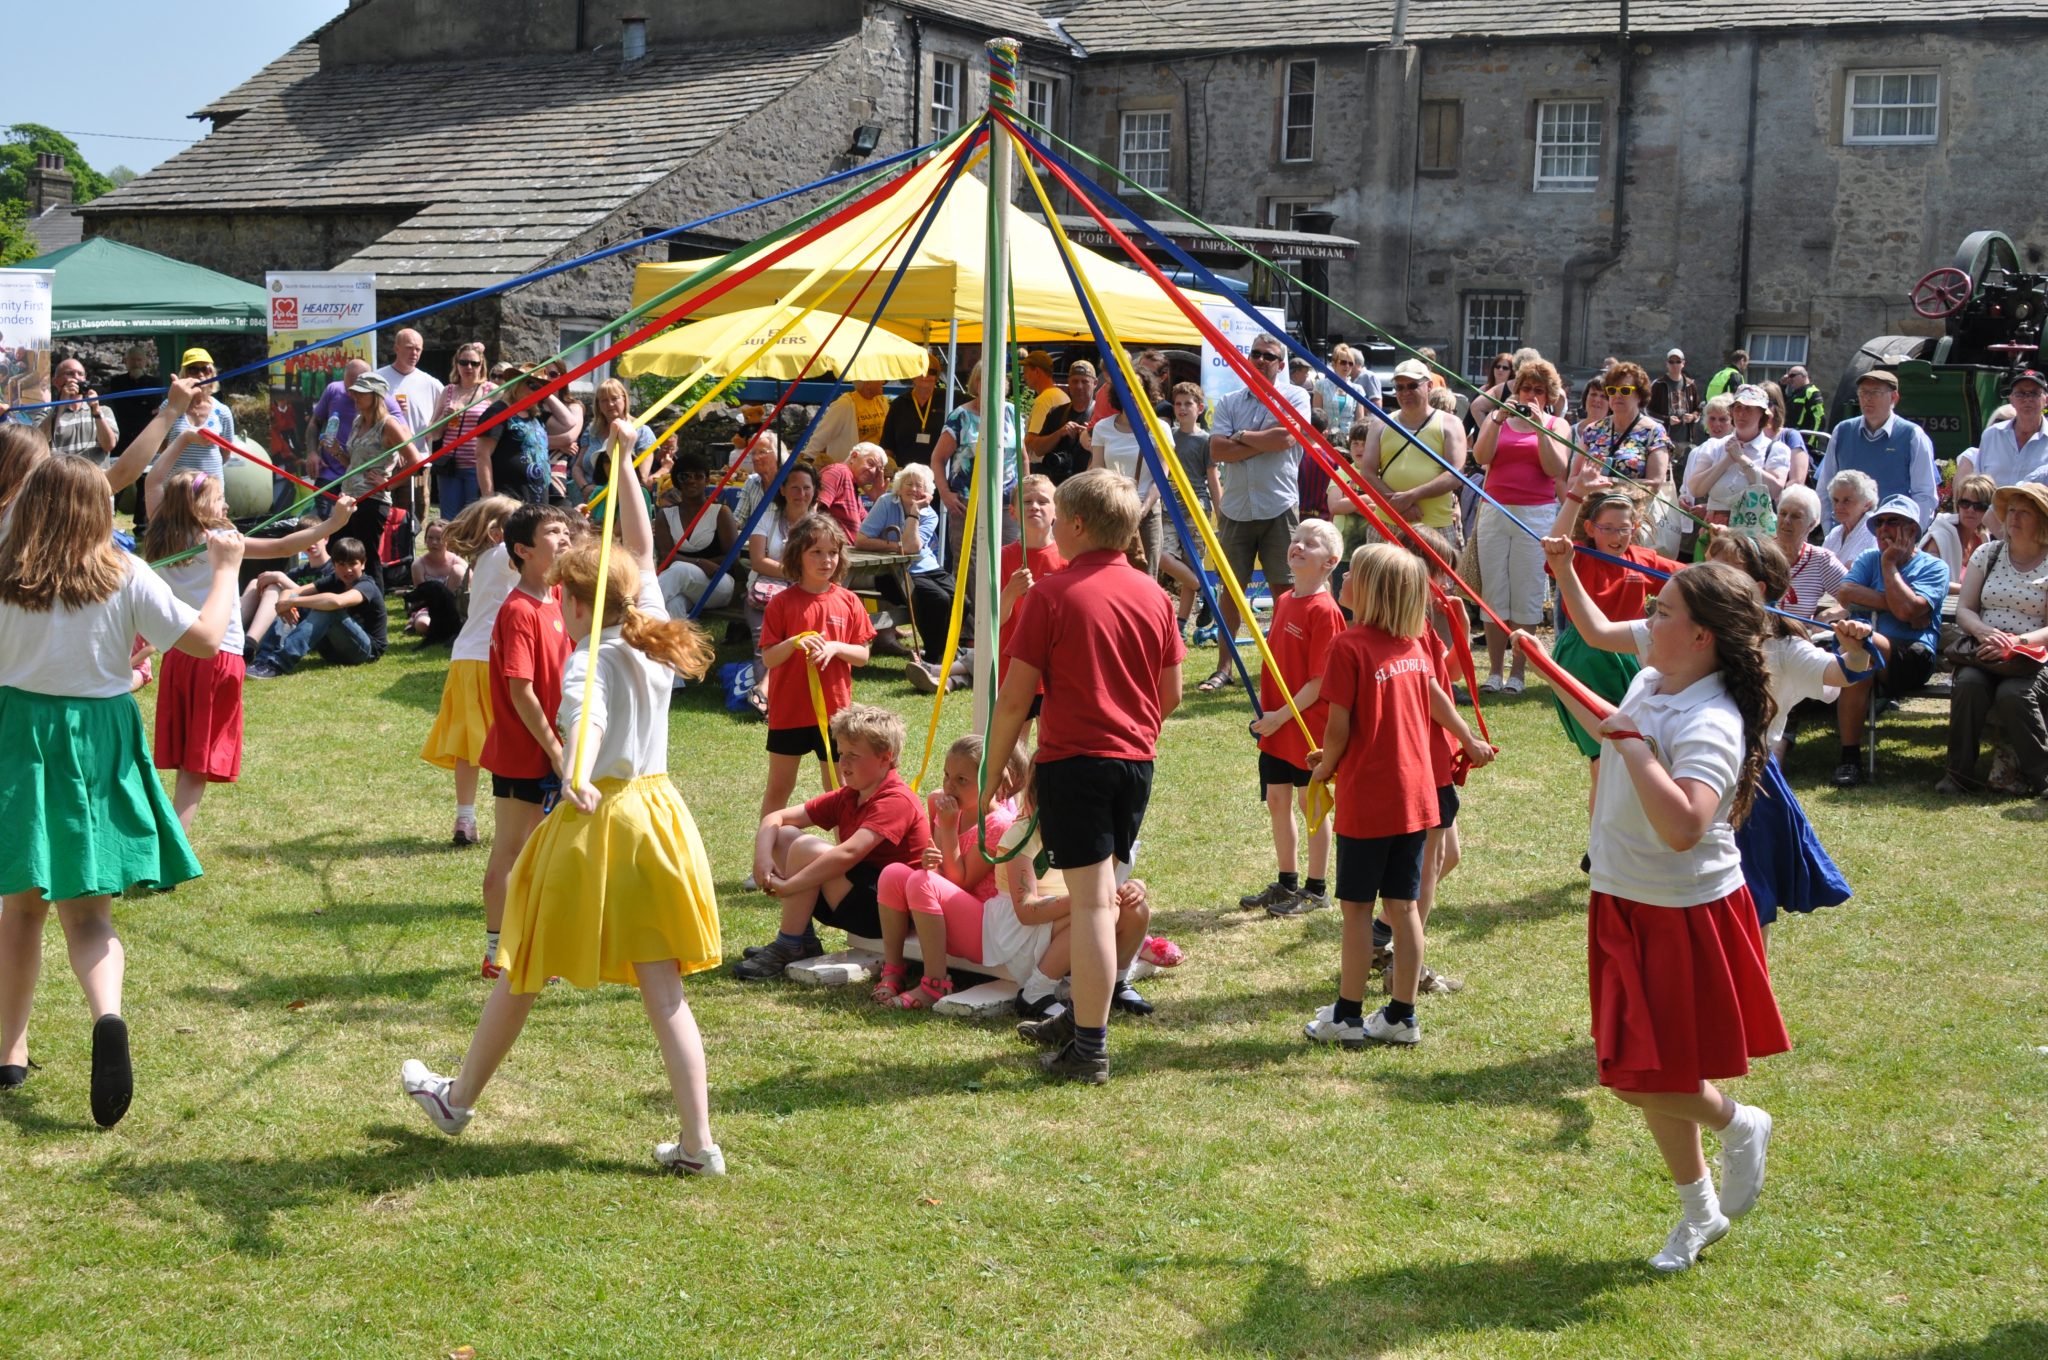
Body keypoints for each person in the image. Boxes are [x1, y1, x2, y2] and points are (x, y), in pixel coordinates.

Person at [401, 463, 726, 1175]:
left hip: (600, 819)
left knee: (520, 963)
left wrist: (574, 772)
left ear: (577, 604)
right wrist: (629, 458)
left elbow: (584, 720)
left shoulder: (589, 659)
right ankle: (699, 1146)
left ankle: (457, 1100)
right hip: (658, 818)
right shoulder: (650, 643)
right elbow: (638, 552)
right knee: (662, 988)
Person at [1514, 561, 1786, 1275]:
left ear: (1699, 635)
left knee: (1636, 1069)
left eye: (1660, 610)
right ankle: (1699, 1212)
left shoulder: (1712, 718)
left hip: (1682, 908)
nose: (1647, 616)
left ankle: (1737, 1122)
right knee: (1650, 1064)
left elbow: (1685, 824)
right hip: (1623, 892)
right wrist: (1548, 671)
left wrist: (1635, 750)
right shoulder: (1652, 679)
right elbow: (1612, 730)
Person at [0, 455, 243, 1126]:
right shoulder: (124, 572)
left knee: (20, 910)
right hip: (98, 738)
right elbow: (202, 639)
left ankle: (9, 1052)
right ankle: (106, 1016)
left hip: (19, 734)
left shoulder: (4, 569)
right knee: (90, 918)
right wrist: (226, 571)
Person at [982, 469, 1186, 1083]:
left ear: (1073, 524)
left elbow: (1014, 701)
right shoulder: (1155, 595)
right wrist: (1130, 729)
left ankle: (1089, 1046)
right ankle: (1081, 1021)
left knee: (1094, 906)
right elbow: (1170, 693)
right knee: (1100, 897)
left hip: (1075, 763)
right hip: (1134, 763)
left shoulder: (1049, 595)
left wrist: (993, 775)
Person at [1303, 544, 1494, 1049]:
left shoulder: (1349, 645)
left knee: (1357, 911)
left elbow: (1340, 728)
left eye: (1352, 574)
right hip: (1416, 797)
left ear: (1368, 590)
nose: (1343, 579)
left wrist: (1325, 765)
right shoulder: (1411, 645)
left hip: (1369, 800)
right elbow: (1432, 694)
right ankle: (1401, 1016)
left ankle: (1346, 1016)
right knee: (1405, 908)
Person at [141, 461, 357, 826]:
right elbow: (284, 546)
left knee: (188, 758)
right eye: (219, 500)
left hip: (180, 655)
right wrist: (333, 524)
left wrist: (181, 428)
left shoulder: (164, 541)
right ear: (197, 508)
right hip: (217, 656)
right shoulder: (217, 542)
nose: (226, 507)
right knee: (197, 765)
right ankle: (172, 845)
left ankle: (168, 834)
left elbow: (152, 483)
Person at [736, 703, 928, 981]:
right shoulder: (851, 793)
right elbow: (775, 818)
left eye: (853, 756)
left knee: (803, 847)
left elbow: (849, 853)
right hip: (859, 896)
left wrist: (789, 886)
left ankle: (789, 944)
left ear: (885, 758)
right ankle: (801, 939)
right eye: (840, 754)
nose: (843, 764)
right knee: (784, 834)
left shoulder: (896, 799)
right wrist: (762, 858)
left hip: (889, 914)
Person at [1548, 472, 1684, 856]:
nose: (1616, 536)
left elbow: (1694, 579)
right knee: (1605, 758)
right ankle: (1600, 850)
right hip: (1584, 660)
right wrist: (1574, 493)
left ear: (1636, 528)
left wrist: (1731, 559)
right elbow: (1554, 546)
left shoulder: (1643, 560)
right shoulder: (1579, 556)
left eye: (1624, 529)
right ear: (1590, 529)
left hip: (1632, 662)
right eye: (1607, 528)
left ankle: (1624, 839)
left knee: (1629, 757)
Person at [476, 503, 578, 977]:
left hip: (556, 748)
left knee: (544, 852)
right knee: (513, 852)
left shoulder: (558, 597)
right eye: (553, 532)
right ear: (522, 549)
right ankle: (498, 952)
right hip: (523, 753)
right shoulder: (518, 610)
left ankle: (534, 943)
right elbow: (522, 692)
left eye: (565, 530)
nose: (564, 538)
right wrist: (556, 752)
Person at [870, 735, 1028, 1009]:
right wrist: (931, 860)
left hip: (984, 932)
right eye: (946, 776)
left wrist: (947, 828)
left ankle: (935, 983)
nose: (949, 786)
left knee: (921, 880)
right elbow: (940, 873)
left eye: (961, 780)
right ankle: (894, 969)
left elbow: (961, 881)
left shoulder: (999, 825)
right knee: (893, 874)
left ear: (989, 782)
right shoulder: (948, 810)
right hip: (949, 919)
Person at [1238, 519, 1344, 917]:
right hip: (1277, 724)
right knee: (1278, 801)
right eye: (1296, 539)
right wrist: (1271, 716)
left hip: (1305, 727)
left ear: (1330, 562)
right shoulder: (1284, 601)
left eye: (1311, 544)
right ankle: (1287, 882)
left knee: (1310, 803)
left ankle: (1316, 888)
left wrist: (1280, 717)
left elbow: (1319, 682)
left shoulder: (1325, 611)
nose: (1298, 546)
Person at [751, 511, 875, 849]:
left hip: (836, 716)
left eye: (832, 552)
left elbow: (863, 655)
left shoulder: (848, 601)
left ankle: (844, 855)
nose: (826, 560)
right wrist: (793, 643)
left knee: (838, 788)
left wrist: (836, 647)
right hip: (789, 713)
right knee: (779, 787)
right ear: (798, 556)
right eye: (816, 552)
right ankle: (767, 855)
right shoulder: (782, 603)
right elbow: (769, 657)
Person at [1199, 335, 1310, 693]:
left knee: (1284, 592)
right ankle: (1224, 669)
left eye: (1270, 356)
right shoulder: (1230, 400)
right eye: (1256, 354)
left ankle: (1282, 670)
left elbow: (1287, 439)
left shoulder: (1295, 397)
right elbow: (1217, 449)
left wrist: (1241, 437)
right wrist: (1260, 439)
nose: (1261, 360)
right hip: (1235, 509)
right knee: (1230, 590)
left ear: (1281, 364)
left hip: (1278, 506)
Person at [1821, 495, 1950, 787]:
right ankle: (1850, 759)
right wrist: (1901, 606)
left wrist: (1890, 565)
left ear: (1912, 531)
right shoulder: (1868, 559)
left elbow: (1906, 610)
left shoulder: (1934, 568)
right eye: (1879, 523)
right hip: (1863, 650)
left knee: (1859, 644)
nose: (1883, 529)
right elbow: (1846, 593)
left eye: (1893, 522)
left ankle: (1849, 758)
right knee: (1860, 651)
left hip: (1913, 657)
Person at [420, 495, 522, 848]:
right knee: (509, 738)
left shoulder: (489, 558)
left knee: (468, 743)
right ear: (497, 533)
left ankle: (465, 817)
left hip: (467, 657)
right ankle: (513, 818)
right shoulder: (507, 557)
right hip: (495, 659)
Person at [1940, 481, 2048, 796]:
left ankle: (2043, 777)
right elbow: (1965, 609)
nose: (2013, 518)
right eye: (2010, 511)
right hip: (1985, 650)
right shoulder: (1989, 553)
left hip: (2032, 657)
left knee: (2014, 694)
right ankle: (1958, 776)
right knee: (1969, 684)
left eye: (2023, 513)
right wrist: (1985, 632)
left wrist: (2018, 643)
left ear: (2041, 519)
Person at [1471, 358, 1571, 692]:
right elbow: (1481, 457)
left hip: (1535, 514)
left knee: (1526, 591)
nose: (1530, 395)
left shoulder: (1558, 425)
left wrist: (1541, 428)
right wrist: (1498, 419)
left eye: (1538, 391)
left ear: (1549, 396)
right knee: (1495, 590)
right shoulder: (1498, 420)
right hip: (1495, 511)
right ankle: (1495, 672)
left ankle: (1518, 673)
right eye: (1525, 388)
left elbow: (1554, 467)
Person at [854, 462, 956, 688]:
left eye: (920, 486)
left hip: (926, 566)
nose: (914, 490)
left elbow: (913, 549)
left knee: (961, 601)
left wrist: (915, 513)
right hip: (891, 571)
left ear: (928, 493)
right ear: (899, 487)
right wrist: (895, 544)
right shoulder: (885, 503)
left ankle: (949, 654)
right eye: (908, 484)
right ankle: (932, 659)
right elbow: (862, 540)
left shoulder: (930, 514)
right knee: (937, 600)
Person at [241, 536, 388, 679]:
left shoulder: (367, 585)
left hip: (365, 651)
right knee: (298, 601)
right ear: (335, 565)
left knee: (328, 610)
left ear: (363, 564)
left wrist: (294, 602)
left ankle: (278, 663)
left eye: (353, 564)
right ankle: (263, 659)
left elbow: (337, 602)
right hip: (331, 650)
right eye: (342, 564)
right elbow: (291, 592)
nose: (347, 569)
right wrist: (286, 602)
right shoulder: (335, 580)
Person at [744, 461, 827, 705]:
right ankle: (773, 696)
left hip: (804, 595)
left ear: (814, 491)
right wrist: (799, 574)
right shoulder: (766, 516)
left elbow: (827, 564)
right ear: (782, 490)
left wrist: (803, 578)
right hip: (764, 595)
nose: (801, 494)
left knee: (796, 634)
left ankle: (764, 692)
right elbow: (758, 561)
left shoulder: (820, 524)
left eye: (806, 488)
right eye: (794, 488)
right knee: (766, 641)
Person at [1359, 358, 1465, 548]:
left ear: (1429, 386)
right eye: (1399, 387)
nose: (1405, 392)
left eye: (1412, 385)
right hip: (1387, 523)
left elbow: (1455, 474)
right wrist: (1398, 506)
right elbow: (1367, 473)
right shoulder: (1380, 424)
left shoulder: (1450, 424)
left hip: (1434, 526)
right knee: (1380, 579)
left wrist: (1410, 496)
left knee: (1433, 579)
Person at [1816, 369, 1939, 530]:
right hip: (1845, 536)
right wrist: (1830, 531)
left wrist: (1910, 536)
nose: (1867, 398)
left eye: (1875, 392)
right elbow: (1825, 488)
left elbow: (1925, 495)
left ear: (1894, 397)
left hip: (1893, 538)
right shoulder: (1842, 432)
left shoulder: (1912, 436)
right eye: (1863, 392)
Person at [929, 360, 1021, 572]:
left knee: (1008, 562)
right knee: (969, 566)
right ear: (976, 384)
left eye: (996, 381)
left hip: (1007, 503)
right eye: (983, 380)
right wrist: (945, 494)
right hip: (966, 502)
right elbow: (938, 458)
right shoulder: (961, 416)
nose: (990, 385)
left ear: (1004, 384)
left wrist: (1024, 495)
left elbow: (1022, 458)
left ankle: (1003, 606)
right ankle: (972, 607)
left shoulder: (1012, 414)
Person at [331, 371, 421, 566]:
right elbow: (354, 466)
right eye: (354, 392)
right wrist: (337, 452)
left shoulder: (388, 425)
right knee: (338, 553)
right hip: (348, 498)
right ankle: (350, 595)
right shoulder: (358, 421)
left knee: (368, 559)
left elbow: (415, 460)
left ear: (376, 396)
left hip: (371, 502)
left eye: (362, 393)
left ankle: (373, 596)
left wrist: (388, 485)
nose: (355, 396)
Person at [1084, 377, 1165, 581]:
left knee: (1147, 576)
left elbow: (1162, 476)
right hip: (1112, 511)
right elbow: (1098, 471)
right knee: (1109, 574)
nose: (1131, 393)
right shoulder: (1103, 428)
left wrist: (1143, 508)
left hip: (1147, 512)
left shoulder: (1159, 428)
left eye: (1137, 388)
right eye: (1127, 388)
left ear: (1148, 392)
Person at [1684, 385, 1793, 527]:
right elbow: (1696, 489)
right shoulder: (1714, 446)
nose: (1741, 413)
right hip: (1714, 534)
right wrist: (1727, 460)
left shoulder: (1776, 449)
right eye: (1737, 408)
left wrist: (1742, 459)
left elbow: (1774, 489)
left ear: (1762, 414)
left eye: (1748, 408)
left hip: (1754, 536)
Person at [653, 451, 741, 615]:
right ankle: (675, 640)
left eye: (698, 476)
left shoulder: (720, 512)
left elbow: (733, 558)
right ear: (676, 481)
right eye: (684, 476)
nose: (691, 480)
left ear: (707, 480)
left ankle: (635, 615)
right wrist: (700, 562)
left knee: (680, 569)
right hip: (683, 586)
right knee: (673, 604)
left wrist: (701, 564)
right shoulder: (665, 515)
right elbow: (667, 556)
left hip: (718, 584)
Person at [1959, 369, 2048, 504]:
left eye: (2034, 393)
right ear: (2011, 399)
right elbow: (1980, 484)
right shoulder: (1991, 435)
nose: (2027, 399)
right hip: (1993, 519)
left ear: (2045, 400)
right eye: (2020, 394)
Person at [474, 364, 558, 506]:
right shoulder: (498, 412)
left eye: (541, 388)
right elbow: (482, 455)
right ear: (517, 383)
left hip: (537, 501)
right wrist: (488, 500)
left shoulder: (536, 416)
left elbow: (570, 423)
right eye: (531, 384)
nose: (536, 391)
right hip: (508, 500)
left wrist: (548, 395)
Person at [431, 342, 492, 518]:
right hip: (449, 465)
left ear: (482, 365)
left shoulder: (490, 390)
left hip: (476, 465)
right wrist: (445, 416)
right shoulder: (448, 391)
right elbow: (433, 433)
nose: (469, 367)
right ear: (456, 364)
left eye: (474, 363)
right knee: (449, 519)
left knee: (473, 519)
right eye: (464, 362)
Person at [375, 327, 445, 482]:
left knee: (419, 506)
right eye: (409, 348)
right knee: (386, 506)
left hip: (420, 459)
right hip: (384, 460)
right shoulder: (377, 378)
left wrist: (434, 427)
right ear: (396, 348)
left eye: (418, 349)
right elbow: (364, 415)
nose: (414, 353)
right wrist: (389, 410)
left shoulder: (432, 384)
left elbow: (445, 414)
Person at [572, 380, 655, 503]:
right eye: (604, 400)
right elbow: (577, 467)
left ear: (625, 399)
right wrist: (585, 487)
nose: (610, 404)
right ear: (598, 405)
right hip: (588, 502)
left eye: (614, 398)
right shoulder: (591, 431)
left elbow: (641, 477)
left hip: (623, 503)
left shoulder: (641, 431)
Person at [1771, 485, 1844, 621]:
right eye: (1783, 513)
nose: (1786, 520)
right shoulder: (1758, 552)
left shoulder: (1821, 560)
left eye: (1796, 516)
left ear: (1812, 524)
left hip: (1797, 638)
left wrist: (1829, 614)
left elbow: (1853, 599)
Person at [1922, 472, 1994, 598]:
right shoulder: (1939, 537)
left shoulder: (1983, 540)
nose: (1970, 510)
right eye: (1965, 503)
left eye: (1979, 506)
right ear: (1957, 504)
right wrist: (1971, 590)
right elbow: (1930, 580)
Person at [1020, 350, 1080, 485]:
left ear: (1037, 371)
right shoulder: (1060, 395)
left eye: (1026, 370)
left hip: (1042, 467)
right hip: (1059, 464)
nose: (1024, 375)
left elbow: (1032, 439)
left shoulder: (1044, 400)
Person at [41, 356, 116, 464]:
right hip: (62, 478)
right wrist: (62, 404)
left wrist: (96, 412)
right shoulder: (45, 413)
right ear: (56, 381)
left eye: (80, 374)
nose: (76, 377)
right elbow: (40, 442)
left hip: (95, 479)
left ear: (85, 379)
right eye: (69, 373)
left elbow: (109, 445)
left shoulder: (103, 411)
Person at [406, 516, 470, 641]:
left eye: (439, 539)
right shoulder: (418, 565)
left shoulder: (459, 563)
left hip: (454, 610)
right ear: (425, 540)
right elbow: (421, 598)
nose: (434, 542)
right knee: (423, 625)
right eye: (430, 538)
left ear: (448, 541)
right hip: (429, 609)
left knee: (458, 571)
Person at [881, 359, 948, 474]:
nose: (925, 375)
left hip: (941, 476)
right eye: (920, 370)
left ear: (936, 376)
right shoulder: (899, 404)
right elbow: (887, 444)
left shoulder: (950, 399)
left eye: (931, 371)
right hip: (906, 477)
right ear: (912, 374)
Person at [802, 379, 890, 465]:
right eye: (879, 379)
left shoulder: (882, 401)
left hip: (875, 465)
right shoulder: (844, 404)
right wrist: (808, 458)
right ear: (867, 383)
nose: (883, 382)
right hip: (850, 467)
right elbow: (823, 434)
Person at [817, 441, 888, 542]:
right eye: (870, 463)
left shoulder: (853, 487)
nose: (873, 471)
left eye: (877, 470)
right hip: (833, 553)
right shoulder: (838, 472)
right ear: (854, 456)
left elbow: (872, 531)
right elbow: (811, 508)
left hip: (852, 554)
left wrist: (878, 501)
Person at [1314, 343, 1380, 440]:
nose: (1347, 366)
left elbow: (1359, 421)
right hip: (1325, 437)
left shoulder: (1357, 389)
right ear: (1334, 364)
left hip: (1348, 439)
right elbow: (1316, 416)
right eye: (1343, 362)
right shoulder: (1321, 385)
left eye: (1350, 363)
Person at [1822, 468, 1880, 564]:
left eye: (1847, 501)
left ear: (1866, 504)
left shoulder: (1874, 532)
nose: (1838, 506)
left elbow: (1855, 574)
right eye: (1835, 500)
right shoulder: (1835, 533)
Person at [1649, 349, 1700, 451]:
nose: (1675, 365)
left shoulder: (1690, 384)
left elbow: (1698, 409)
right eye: (1671, 362)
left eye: (1678, 362)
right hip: (1663, 439)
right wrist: (1667, 420)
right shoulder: (1658, 384)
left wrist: (1692, 417)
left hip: (1685, 440)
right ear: (1667, 364)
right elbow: (1647, 411)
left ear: (1683, 363)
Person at [1783, 365, 1827, 435]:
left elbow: (1819, 419)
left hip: (1803, 440)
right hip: (1789, 437)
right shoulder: (1795, 394)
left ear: (1803, 376)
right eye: (1788, 376)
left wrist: (1809, 442)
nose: (1789, 379)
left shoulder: (1811, 392)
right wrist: (1782, 385)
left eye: (1792, 376)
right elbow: (1780, 403)